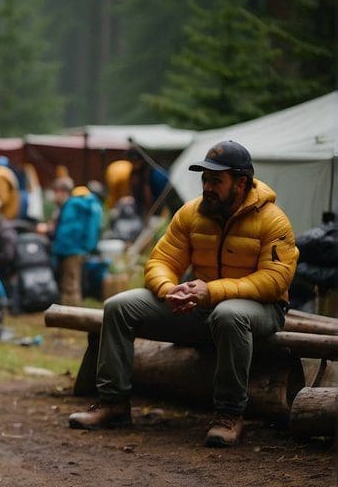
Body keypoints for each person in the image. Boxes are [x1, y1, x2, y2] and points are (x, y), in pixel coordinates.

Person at [68, 140, 298, 447]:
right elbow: (161, 261)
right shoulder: (191, 213)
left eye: (216, 180)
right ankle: (113, 404)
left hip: (261, 309)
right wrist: (168, 290)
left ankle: (230, 415)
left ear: (241, 183)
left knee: (229, 314)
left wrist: (211, 291)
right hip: (202, 305)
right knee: (119, 306)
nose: (207, 186)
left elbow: (275, 280)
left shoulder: (273, 220)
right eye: (205, 178)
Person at [50, 178, 102, 307]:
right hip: (74, 249)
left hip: (72, 249)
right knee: (69, 281)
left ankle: (71, 315)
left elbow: (69, 232)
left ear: (62, 192)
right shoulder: (74, 205)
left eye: (55, 192)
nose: (54, 196)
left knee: (71, 283)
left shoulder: (73, 206)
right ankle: (67, 313)